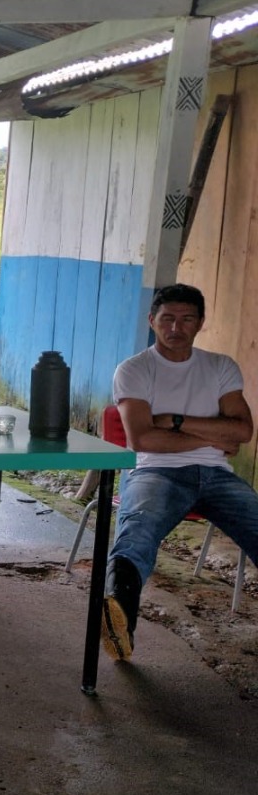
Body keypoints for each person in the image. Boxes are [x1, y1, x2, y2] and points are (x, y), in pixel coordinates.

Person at [102, 283, 258, 661]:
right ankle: (118, 617)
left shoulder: (220, 366)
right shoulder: (135, 370)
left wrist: (174, 421)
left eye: (187, 319)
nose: (176, 328)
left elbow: (242, 431)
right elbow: (142, 439)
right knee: (138, 529)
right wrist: (213, 435)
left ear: (200, 323)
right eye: (167, 318)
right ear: (151, 321)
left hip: (216, 475)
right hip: (155, 472)